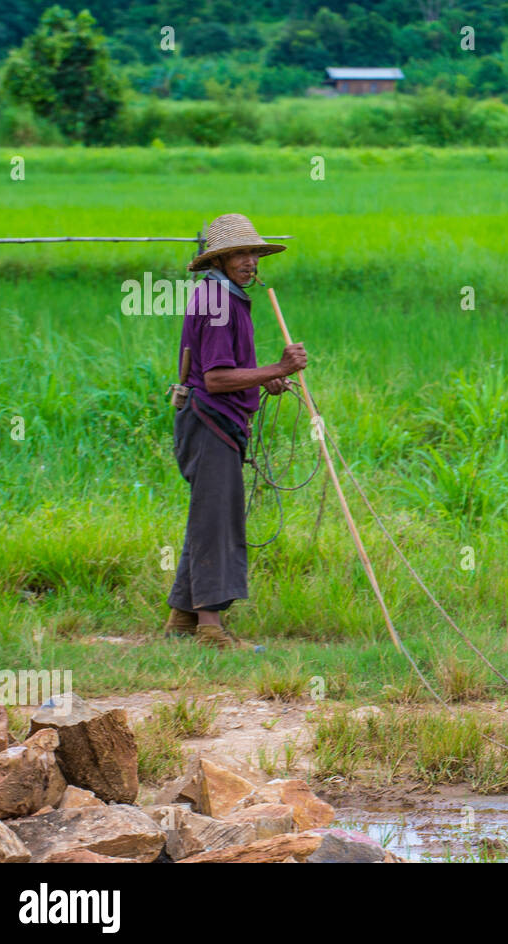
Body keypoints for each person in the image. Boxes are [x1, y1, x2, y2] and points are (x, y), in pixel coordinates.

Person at [163, 213, 307, 649]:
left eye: (253, 253)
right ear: (220, 259)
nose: (249, 261)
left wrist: (265, 377)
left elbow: (223, 370)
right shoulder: (221, 305)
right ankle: (211, 629)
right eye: (239, 254)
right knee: (217, 521)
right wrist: (279, 367)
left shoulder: (221, 295)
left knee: (209, 515)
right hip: (211, 421)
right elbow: (216, 379)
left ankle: (182, 620)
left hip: (210, 421)